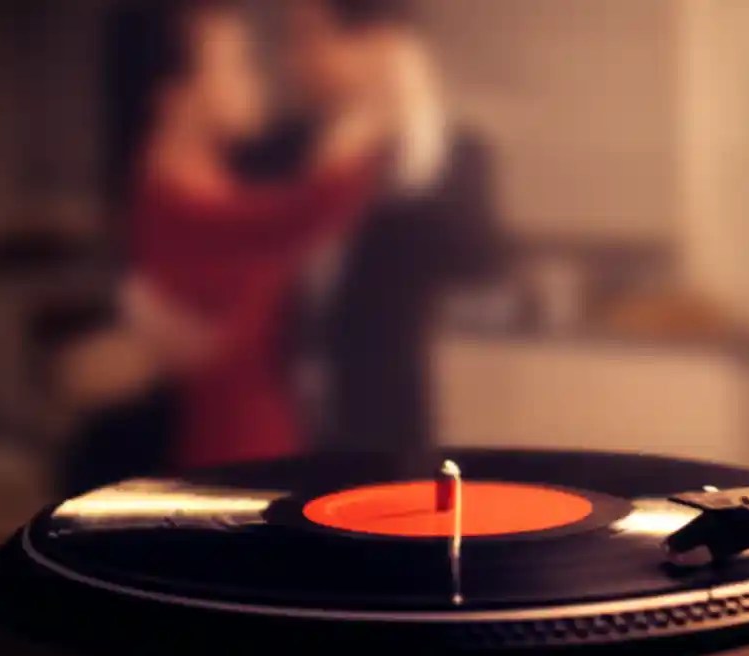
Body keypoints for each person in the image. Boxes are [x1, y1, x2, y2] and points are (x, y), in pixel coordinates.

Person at [63, 0, 385, 488]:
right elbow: (304, 212)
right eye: (233, 64)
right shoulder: (175, 196)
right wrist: (374, 113)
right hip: (231, 447)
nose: (253, 78)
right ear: (173, 96)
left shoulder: (209, 181)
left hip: (253, 435)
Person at [236, 0, 503, 453]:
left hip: (382, 426)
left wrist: (413, 139)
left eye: (309, 38)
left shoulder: (451, 153)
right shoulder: (279, 149)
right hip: (270, 422)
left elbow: (476, 261)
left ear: (377, 44)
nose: (292, 58)